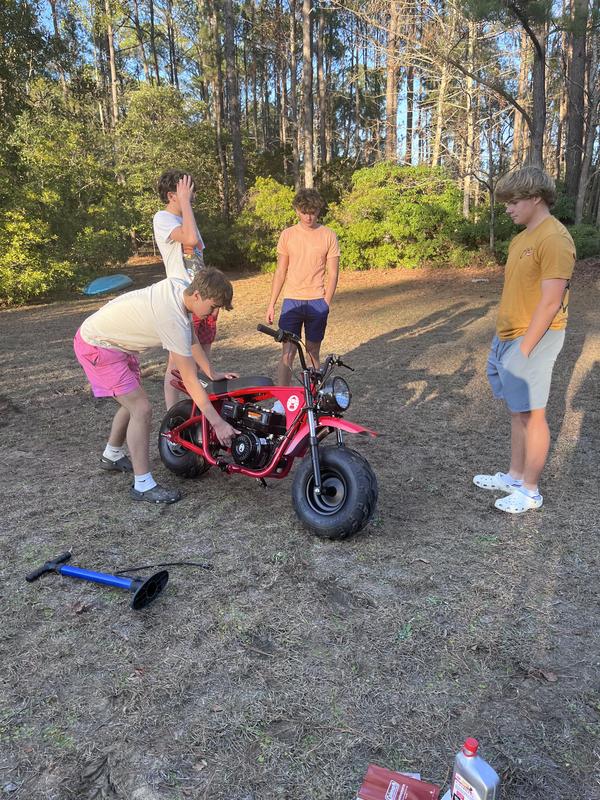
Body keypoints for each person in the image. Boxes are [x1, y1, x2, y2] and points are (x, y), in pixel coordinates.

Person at [73, 269, 239, 504]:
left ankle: (112, 454)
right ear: (198, 295)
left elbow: (190, 336)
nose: (215, 313)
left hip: (116, 345)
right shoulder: (171, 318)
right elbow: (189, 379)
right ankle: (143, 485)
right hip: (98, 345)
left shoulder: (182, 289)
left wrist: (211, 372)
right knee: (141, 409)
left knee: (130, 403)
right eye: (213, 306)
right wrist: (218, 423)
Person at [473, 166, 576, 514]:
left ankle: (530, 491)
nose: (508, 208)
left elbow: (551, 301)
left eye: (513, 201)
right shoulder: (522, 238)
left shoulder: (554, 237)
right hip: (508, 335)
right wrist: (502, 340)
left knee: (533, 415)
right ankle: (514, 476)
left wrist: (525, 349)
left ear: (535, 198)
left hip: (534, 338)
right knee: (518, 413)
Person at [153, 170, 232, 409]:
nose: (192, 195)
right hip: (182, 299)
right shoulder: (163, 218)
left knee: (203, 360)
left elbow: (198, 256)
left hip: (202, 297)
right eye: (187, 191)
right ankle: (172, 416)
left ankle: (198, 410)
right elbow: (188, 239)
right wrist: (186, 204)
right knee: (176, 364)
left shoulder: (187, 218)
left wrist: (214, 300)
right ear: (172, 195)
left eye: (192, 191)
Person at [265, 188, 340, 386]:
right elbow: (280, 271)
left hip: (317, 301)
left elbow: (333, 273)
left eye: (313, 212)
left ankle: (315, 397)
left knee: (312, 350)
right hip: (292, 301)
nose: (309, 216)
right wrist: (272, 304)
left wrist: (326, 302)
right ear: (297, 210)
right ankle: (282, 401)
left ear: (318, 211)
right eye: (304, 211)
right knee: (287, 352)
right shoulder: (287, 235)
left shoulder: (329, 235)